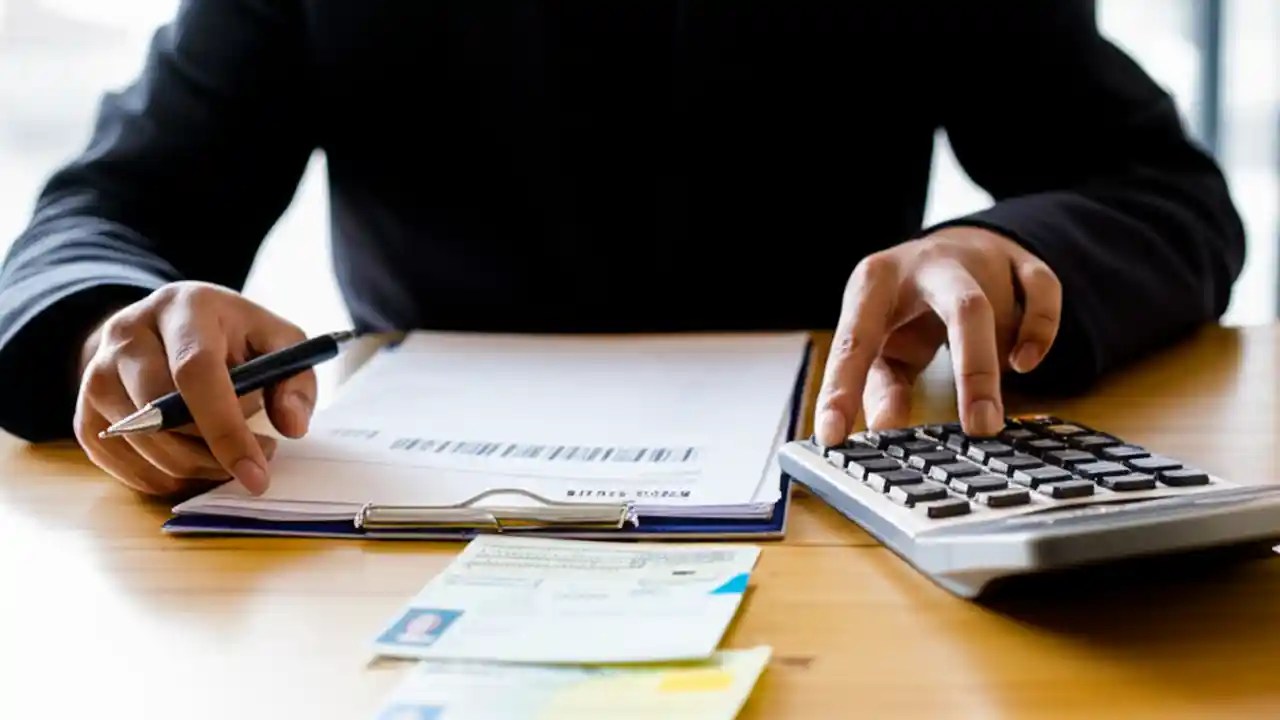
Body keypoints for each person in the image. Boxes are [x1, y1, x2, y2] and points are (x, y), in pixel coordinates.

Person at [0, 1, 1244, 497]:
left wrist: (1003, 248)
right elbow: (100, 221)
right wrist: (115, 321)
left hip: (843, 504)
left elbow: (1163, 192)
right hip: (397, 539)